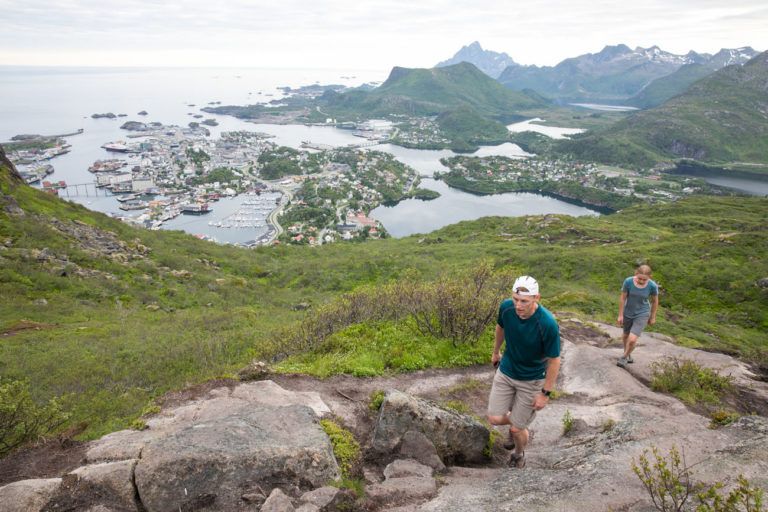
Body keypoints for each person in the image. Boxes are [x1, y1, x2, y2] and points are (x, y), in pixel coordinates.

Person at [487, 275, 561, 469]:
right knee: (494, 418)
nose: (518, 305)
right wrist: (496, 351)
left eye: (524, 301)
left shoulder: (547, 324)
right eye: (515, 299)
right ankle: (519, 415)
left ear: (537, 298)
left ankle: (518, 455)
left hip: (532, 379)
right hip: (507, 371)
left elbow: (554, 360)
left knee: (517, 428)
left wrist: (545, 394)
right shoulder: (506, 308)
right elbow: (500, 327)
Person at [617, 264, 659, 368]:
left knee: (632, 339)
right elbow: (623, 298)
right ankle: (627, 353)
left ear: (650, 277)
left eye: (644, 280)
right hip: (628, 312)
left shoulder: (652, 286)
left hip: (642, 313)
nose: (641, 281)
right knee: (626, 335)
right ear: (636, 273)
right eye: (639, 278)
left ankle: (624, 357)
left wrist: (652, 316)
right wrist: (620, 315)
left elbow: (655, 301)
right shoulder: (628, 281)